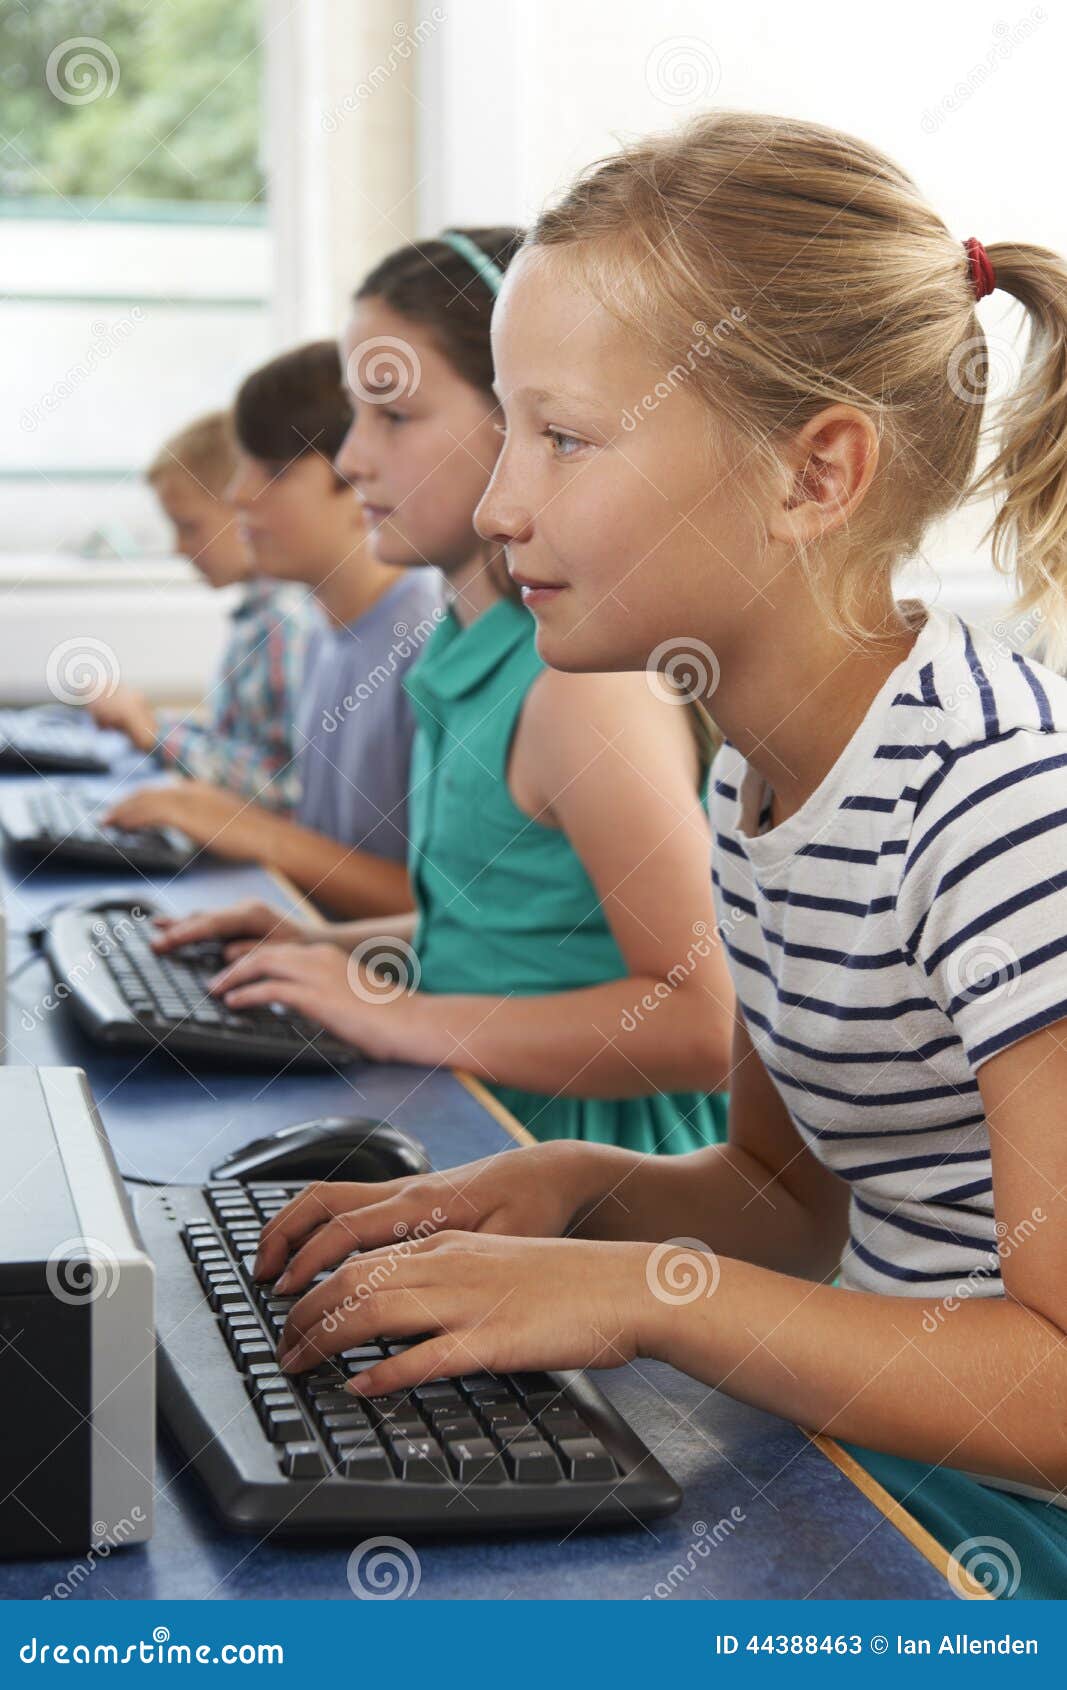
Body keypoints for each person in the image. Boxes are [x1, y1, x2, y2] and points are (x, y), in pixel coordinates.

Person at [248, 117, 1067, 1597]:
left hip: (1008, 1538)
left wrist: (646, 1294)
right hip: (879, 1473)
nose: (500, 505)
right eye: (508, 432)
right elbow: (782, 1199)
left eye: (563, 438)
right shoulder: (761, 775)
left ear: (813, 474)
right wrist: (563, 1187)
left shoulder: (996, 803)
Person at [154, 227, 733, 1152]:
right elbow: (498, 938)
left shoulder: (581, 689)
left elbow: (704, 1022)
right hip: (479, 1126)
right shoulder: (464, 649)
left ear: (521, 418)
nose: (351, 460)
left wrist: (399, 1016)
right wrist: (324, 946)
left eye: (393, 415)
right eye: (355, 418)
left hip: (595, 1174)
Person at [105, 342, 443, 917]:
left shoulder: (428, 642)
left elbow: (444, 912)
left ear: (360, 474)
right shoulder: (321, 629)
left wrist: (252, 831)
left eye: (274, 471)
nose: (238, 494)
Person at [90, 409, 316, 810]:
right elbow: (238, 747)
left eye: (189, 527)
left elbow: (285, 785)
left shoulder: (283, 624)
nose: (178, 547)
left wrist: (155, 736)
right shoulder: (257, 615)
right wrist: (150, 722)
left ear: (244, 506)